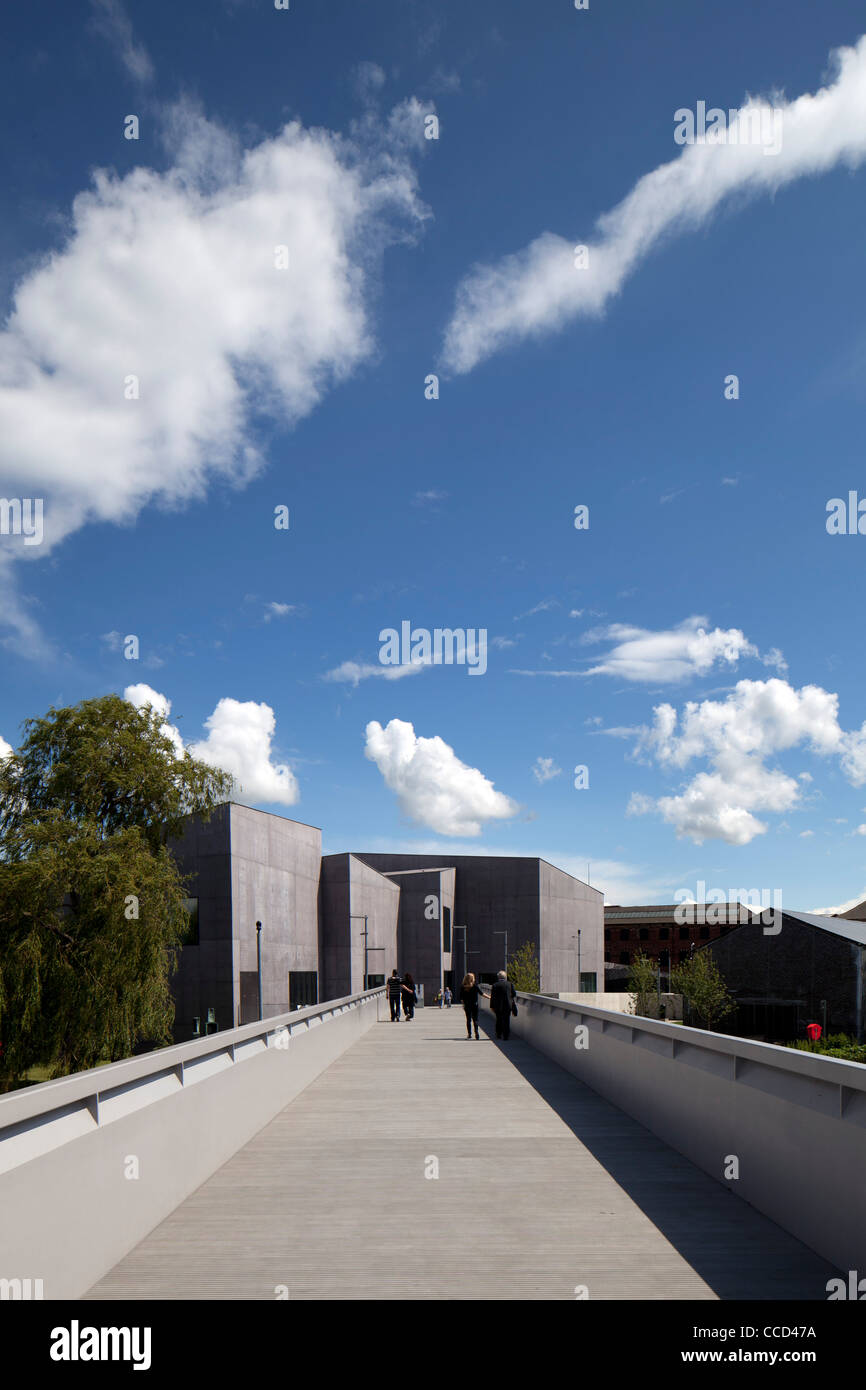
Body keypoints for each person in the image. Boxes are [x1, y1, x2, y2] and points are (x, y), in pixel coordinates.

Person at [489, 970, 517, 1040]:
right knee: (506, 1020)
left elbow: (493, 997)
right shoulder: (510, 984)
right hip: (508, 1005)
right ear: (505, 977)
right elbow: (514, 994)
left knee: (498, 1020)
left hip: (498, 1006)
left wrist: (491, 1006)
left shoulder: (495, 985)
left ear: (498, 977)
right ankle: (506, 1036)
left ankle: (498, 1034)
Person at [459, 972, 481, 1039]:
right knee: (475, 1020)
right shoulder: (475, 986)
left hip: (467, 1005)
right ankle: (477, 1033)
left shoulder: (463, 987)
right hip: (475, 1005)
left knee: (468, 1020)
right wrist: (489, 997)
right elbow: (481, 993)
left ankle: (469, 1034)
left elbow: (461, 998)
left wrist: (463, 1005)